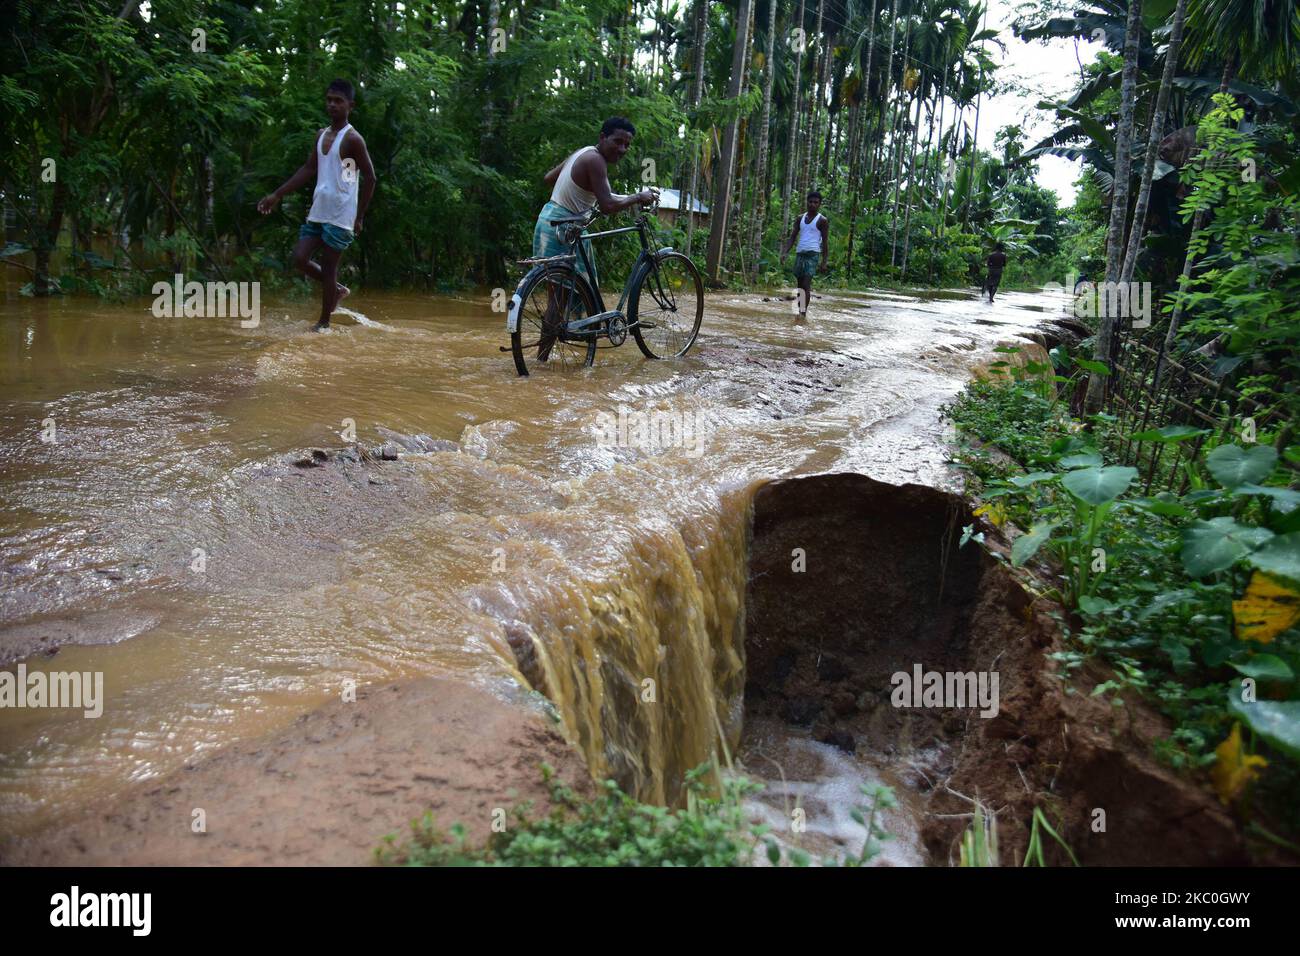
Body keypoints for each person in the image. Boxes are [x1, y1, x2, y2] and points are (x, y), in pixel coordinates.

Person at [533, 117, 657, 359]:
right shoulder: (595, 160)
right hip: (566, 228)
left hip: (549, 221)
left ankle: (543, 361)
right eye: (617, 142)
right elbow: (609, 204)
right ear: (602, 137)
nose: (622, 149)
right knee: (557, 303)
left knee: (556, 301)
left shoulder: (583, 153)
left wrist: (578, 195)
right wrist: (637, 197)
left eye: (627, 145)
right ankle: (542, 362)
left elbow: (550, 178)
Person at [258, 79, 375, 331]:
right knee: (300, 258)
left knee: (330, 267)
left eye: (338, 101)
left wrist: (359, 216)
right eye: (329, 100)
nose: (332, 105)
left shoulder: (353, 139)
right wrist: (276, 195)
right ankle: (338, 290)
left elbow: (371, 177)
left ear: (350, 105)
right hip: (319, 210)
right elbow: (309, 168)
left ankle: (323, 324)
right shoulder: (321, 135)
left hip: (341, 213)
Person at [782, 190, 829, 320]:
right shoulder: (800, 218)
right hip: (800, 253)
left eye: (816, 202)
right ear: (807, 202)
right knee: (799, 285)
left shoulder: (822, 220)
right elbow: (792, 237)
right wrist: (785, 252)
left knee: (806, 284)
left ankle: (802, 313)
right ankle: (799, 310)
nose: (813, 204)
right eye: (810, 202)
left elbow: (825, 242)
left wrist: (824, 261)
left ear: (819, 204)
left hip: (813, 254)